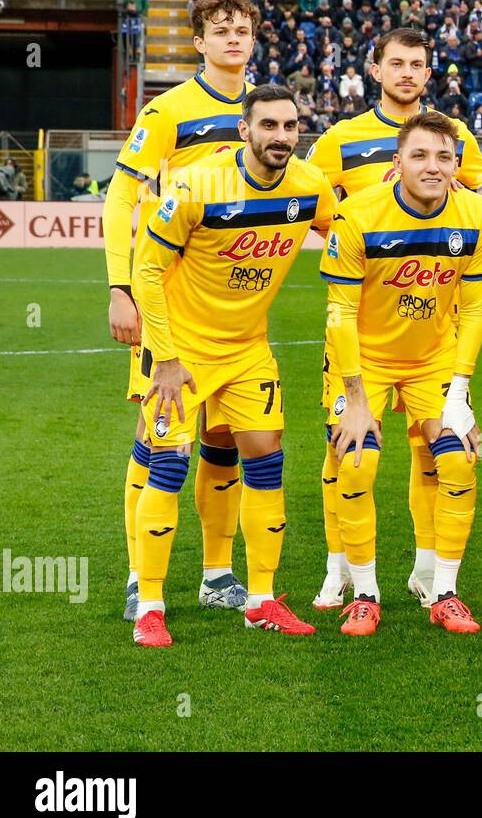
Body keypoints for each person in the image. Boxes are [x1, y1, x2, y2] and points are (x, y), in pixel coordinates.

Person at [129, 84, 335, 646]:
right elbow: (147, 270)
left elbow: (346, 231)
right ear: (244, 131)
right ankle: (150, 603)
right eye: (268, 126)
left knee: (266, 457)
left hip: (248, 349)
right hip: (181, 348)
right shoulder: (196, 185)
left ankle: (261, 599)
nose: (281, 137)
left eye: (291, 126)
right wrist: (165, 360)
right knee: (169, 462)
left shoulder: (311, 187)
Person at [307, 27, 482, 611]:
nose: (409, 73)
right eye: (398, 63)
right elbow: (306, 192)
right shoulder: (342, 140)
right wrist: (347, 243)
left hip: (432, 351)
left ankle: (434, 581)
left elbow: (477, 295)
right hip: (363, 343)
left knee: (450, 459)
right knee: (350, 459)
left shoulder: (455, 144)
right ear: (376, 69)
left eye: (419, 64)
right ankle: (346, 575)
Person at [103, 0, 259, 624]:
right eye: (219, 30)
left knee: (224, 442)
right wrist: (120, 287)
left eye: (242, 29)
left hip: (235, 311)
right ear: (198, 42)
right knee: (160, 439)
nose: (232, 39)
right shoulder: (168, 111)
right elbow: (120, 199)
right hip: (169, 302)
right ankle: (142, 575)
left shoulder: (262, 112)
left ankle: (217, 573)